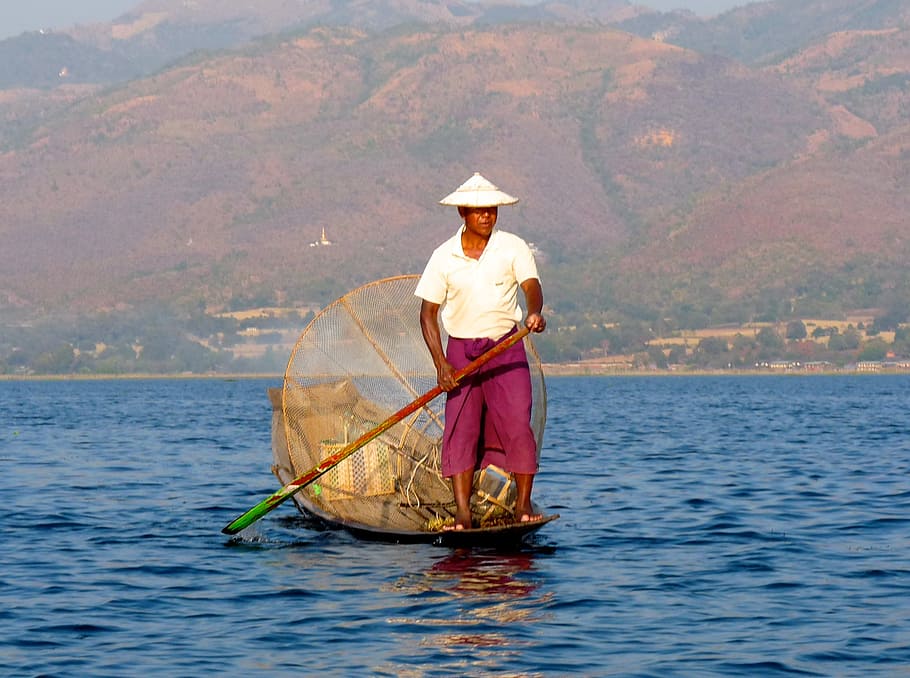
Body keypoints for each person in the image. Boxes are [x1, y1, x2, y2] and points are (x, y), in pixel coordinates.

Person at [415, 172, 546, 530]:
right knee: (461, 427)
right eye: (478, 211)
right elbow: (427, 314)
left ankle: (522, 505)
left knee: (518, 422)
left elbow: (531, 287)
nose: (487, 216)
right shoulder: (444, 256)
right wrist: (441, 364)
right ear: (463, 213)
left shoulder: (513, 247)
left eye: (491, 210)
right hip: (461, 352)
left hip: (505, 347)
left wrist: (534, 312)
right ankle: (463, 511)